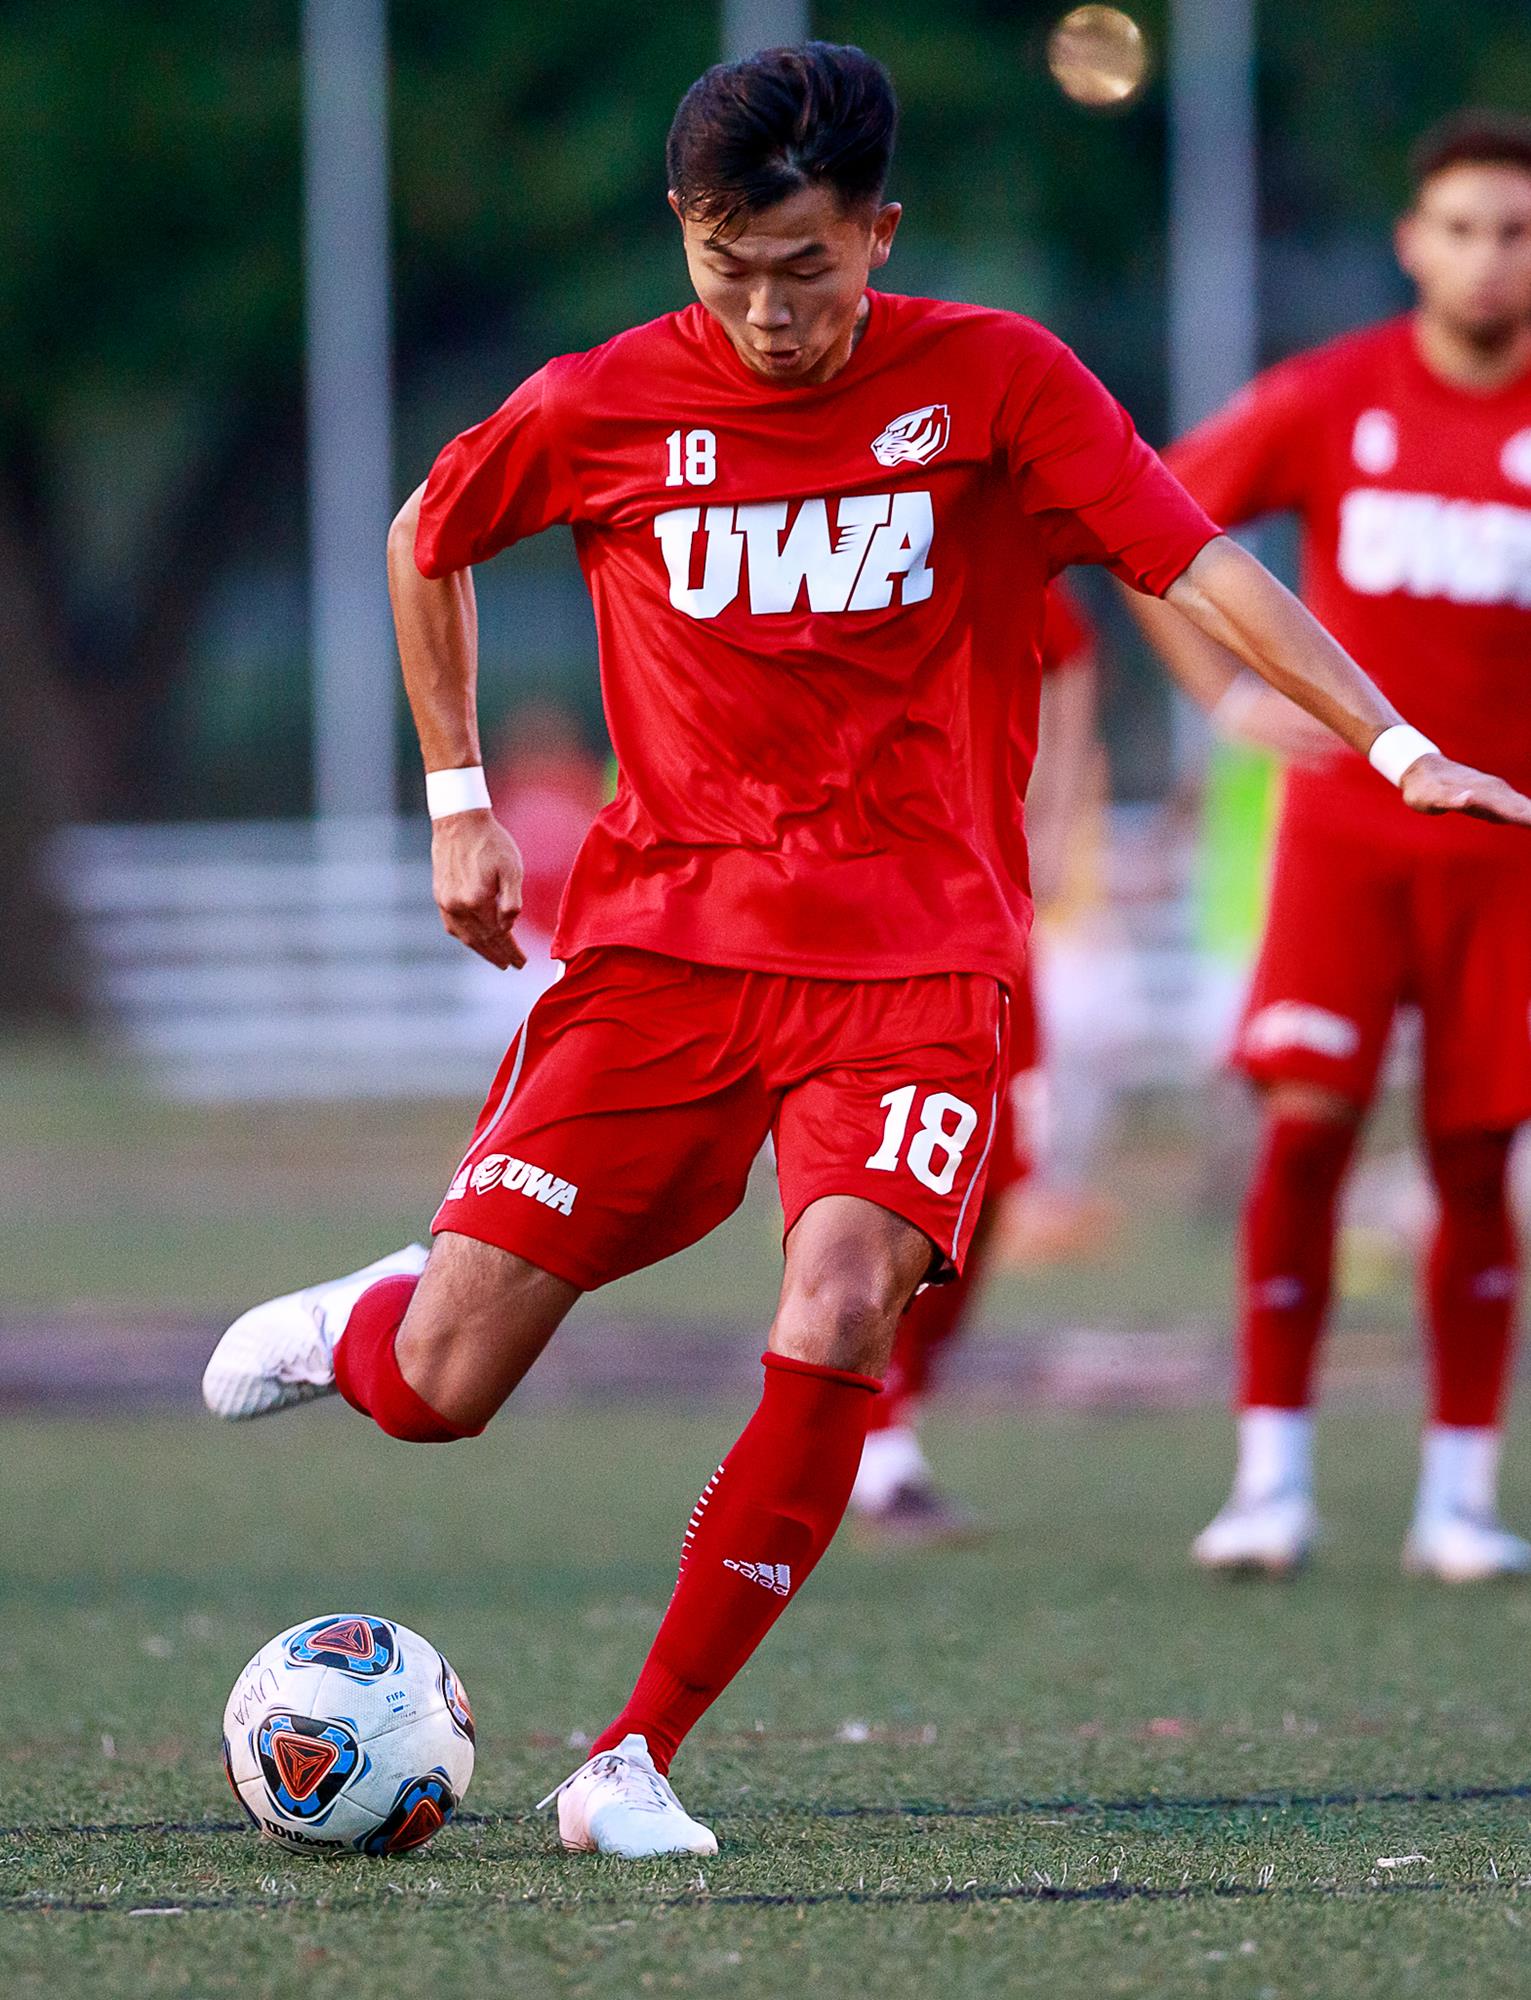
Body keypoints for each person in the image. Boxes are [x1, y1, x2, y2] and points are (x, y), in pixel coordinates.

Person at [202, 47, 1531, 1857]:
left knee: (841, 1302)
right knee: (442, 1391)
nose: (765, 309)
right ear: (684, 233)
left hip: (916, 959)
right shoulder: (602, 404)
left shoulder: (995, 383)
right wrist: (453, 797)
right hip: (667, 948)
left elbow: (1197, 565)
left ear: (880, 234)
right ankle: (370, 1313)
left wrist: (1386, 740)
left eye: (806, 267)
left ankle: (633, 1757)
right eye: (724, 265)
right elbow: (425, 533)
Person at [1129, 112, 1531, 1581]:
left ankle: (1456, 1500)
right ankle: (1268, 1479)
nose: (1490, 258)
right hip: (1345, 842)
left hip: (1505, 858)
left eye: (1516, 230)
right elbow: (1152, 526)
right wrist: (1225, 696)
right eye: (1466, 227)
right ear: (1411, 243)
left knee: (1476, 1159)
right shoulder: (1333, 394)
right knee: (1299, 1133)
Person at [850, 582, 1098, 1540]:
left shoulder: (984, 516)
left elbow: (1072, 652)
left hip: (987, 905)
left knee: (988, 1189)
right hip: (860, 906)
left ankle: (884, 1407)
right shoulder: (811, 522)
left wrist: (1060, 808)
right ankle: (875, 1442)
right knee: (882, 1182)